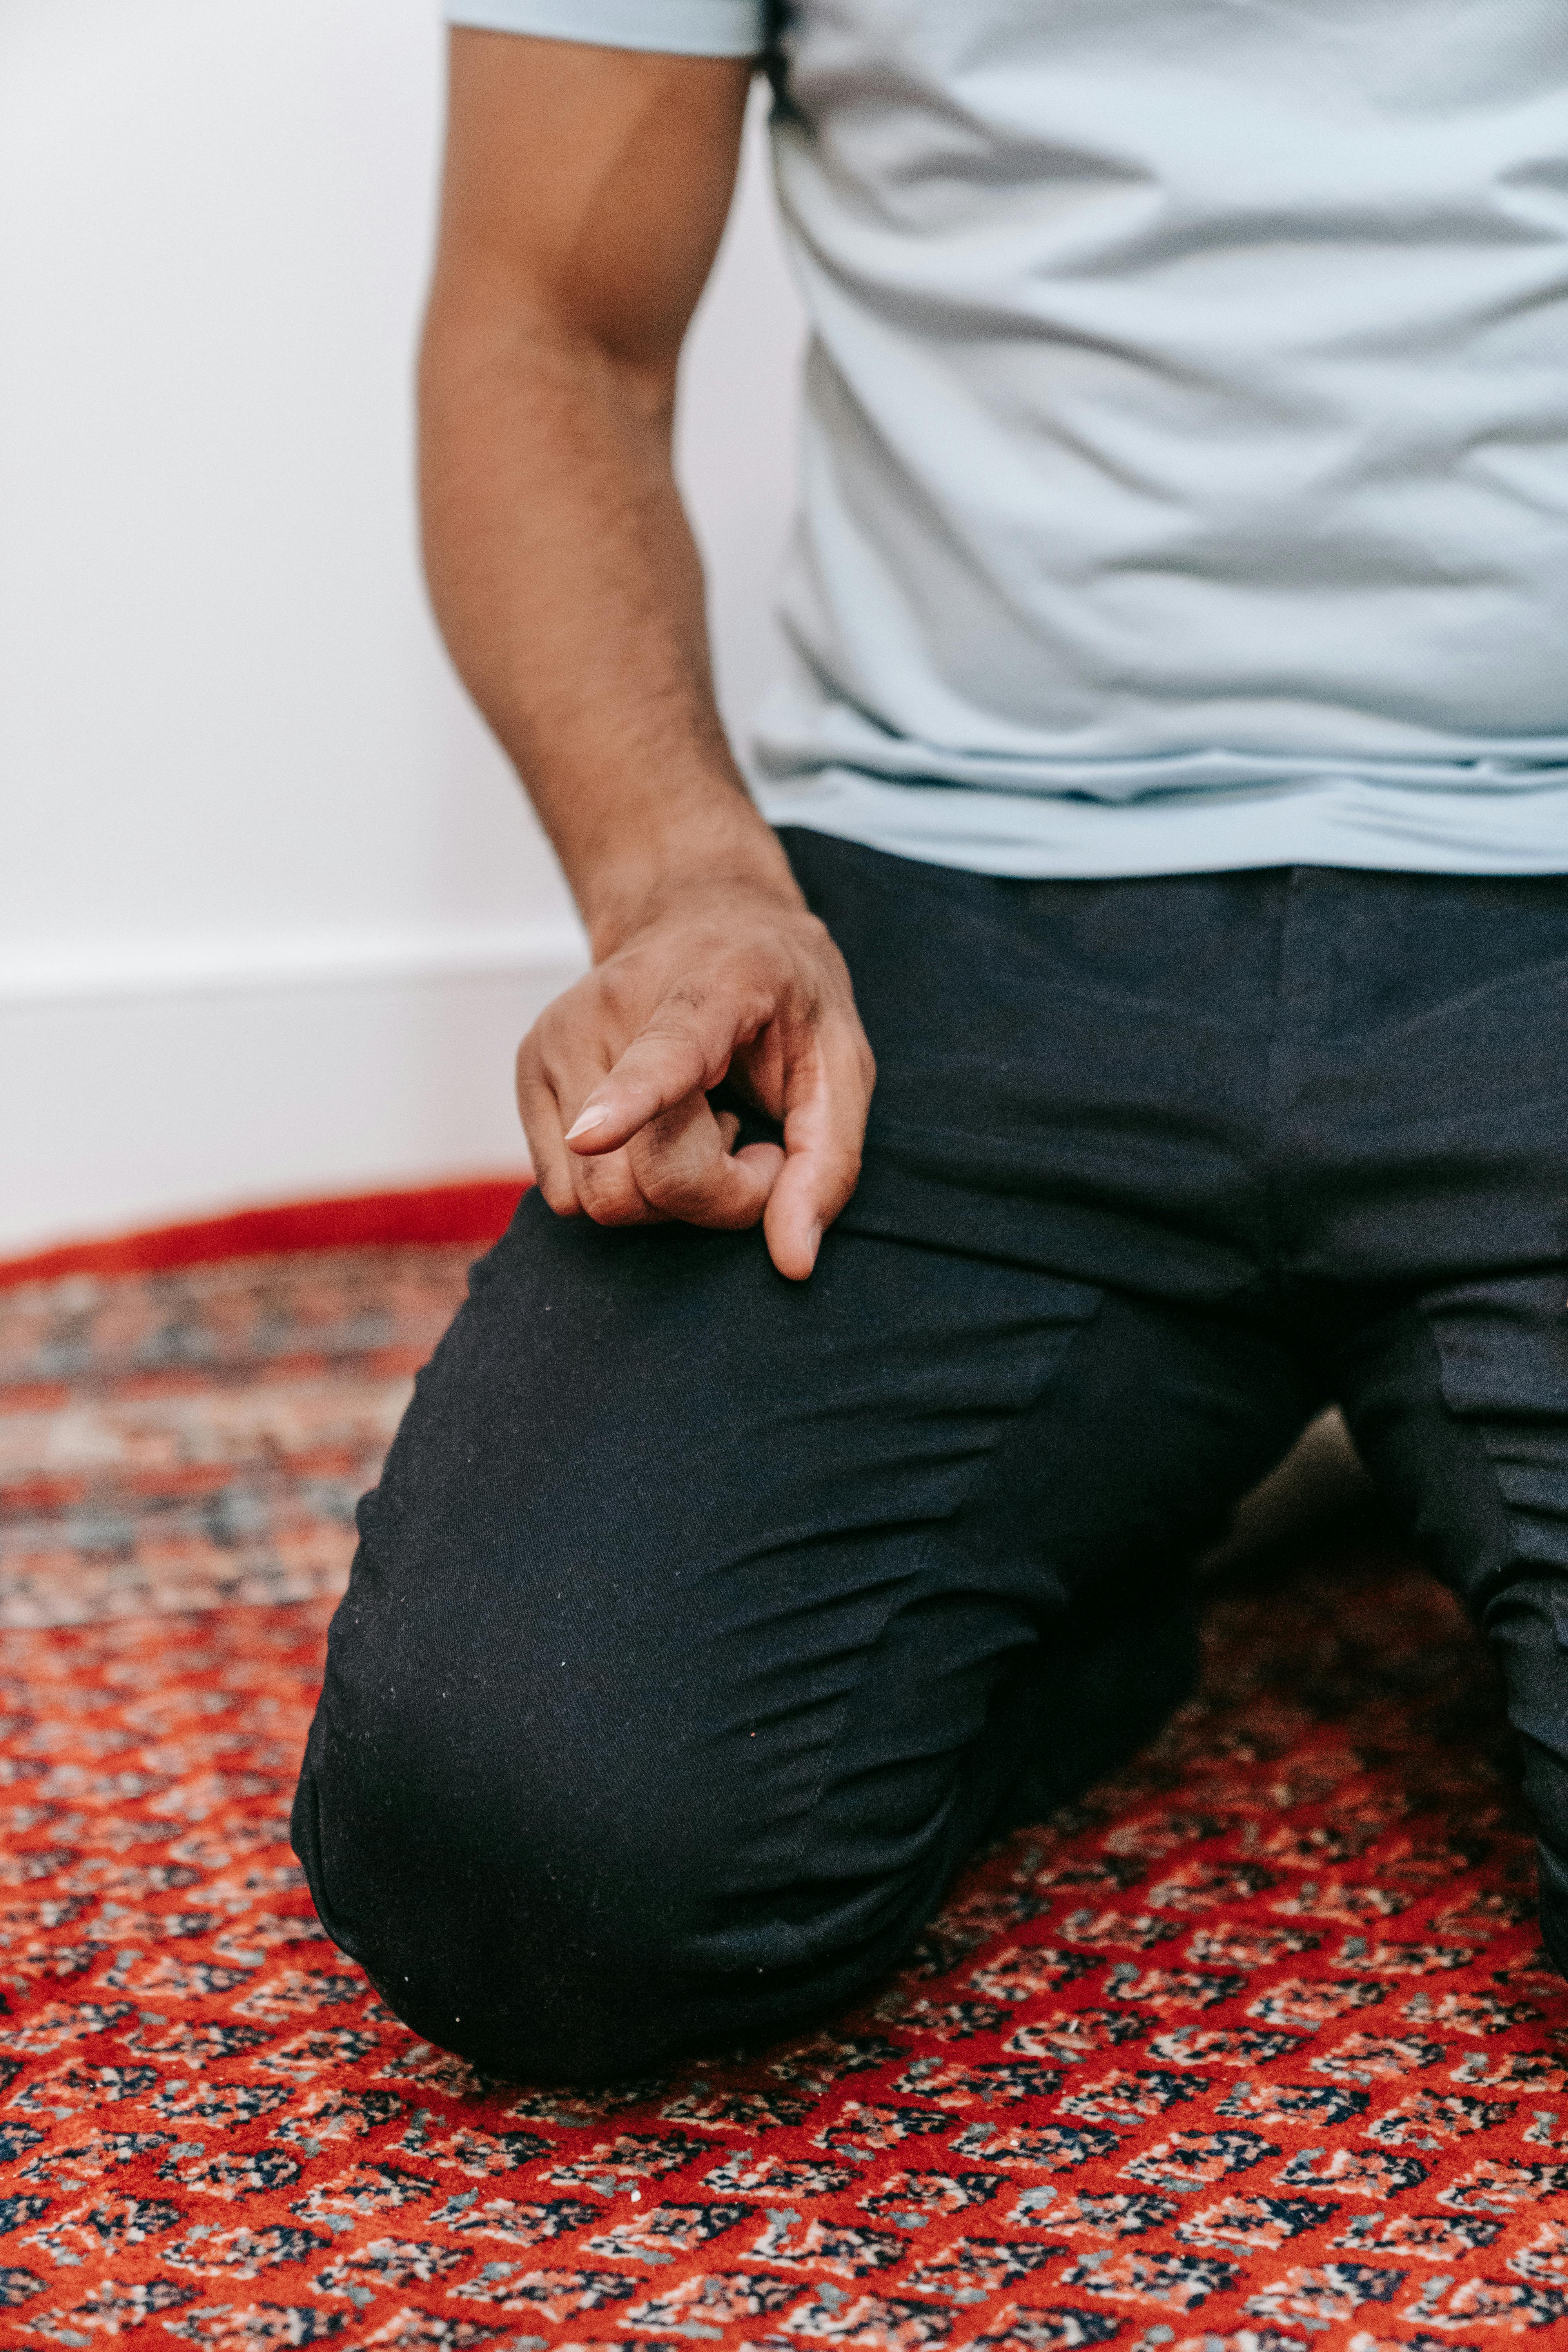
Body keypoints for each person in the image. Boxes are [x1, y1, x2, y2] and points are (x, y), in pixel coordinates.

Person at [291, 3, 1568, 2087]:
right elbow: (551, 322)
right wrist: (689, 888)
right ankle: (1190, 1472)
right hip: (953, 919)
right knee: (527, 1843)